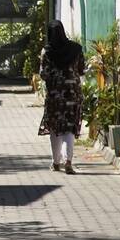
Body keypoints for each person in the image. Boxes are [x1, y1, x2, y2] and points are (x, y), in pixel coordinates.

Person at [39, 20, 86, 174]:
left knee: (55, 128)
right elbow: (81, 69)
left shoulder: (47, 52)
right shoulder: (76, 49)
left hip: (54, 96)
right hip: (73, 94)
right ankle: (68, 161)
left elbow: (43, 74)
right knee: (69, 129)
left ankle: (56, 162)